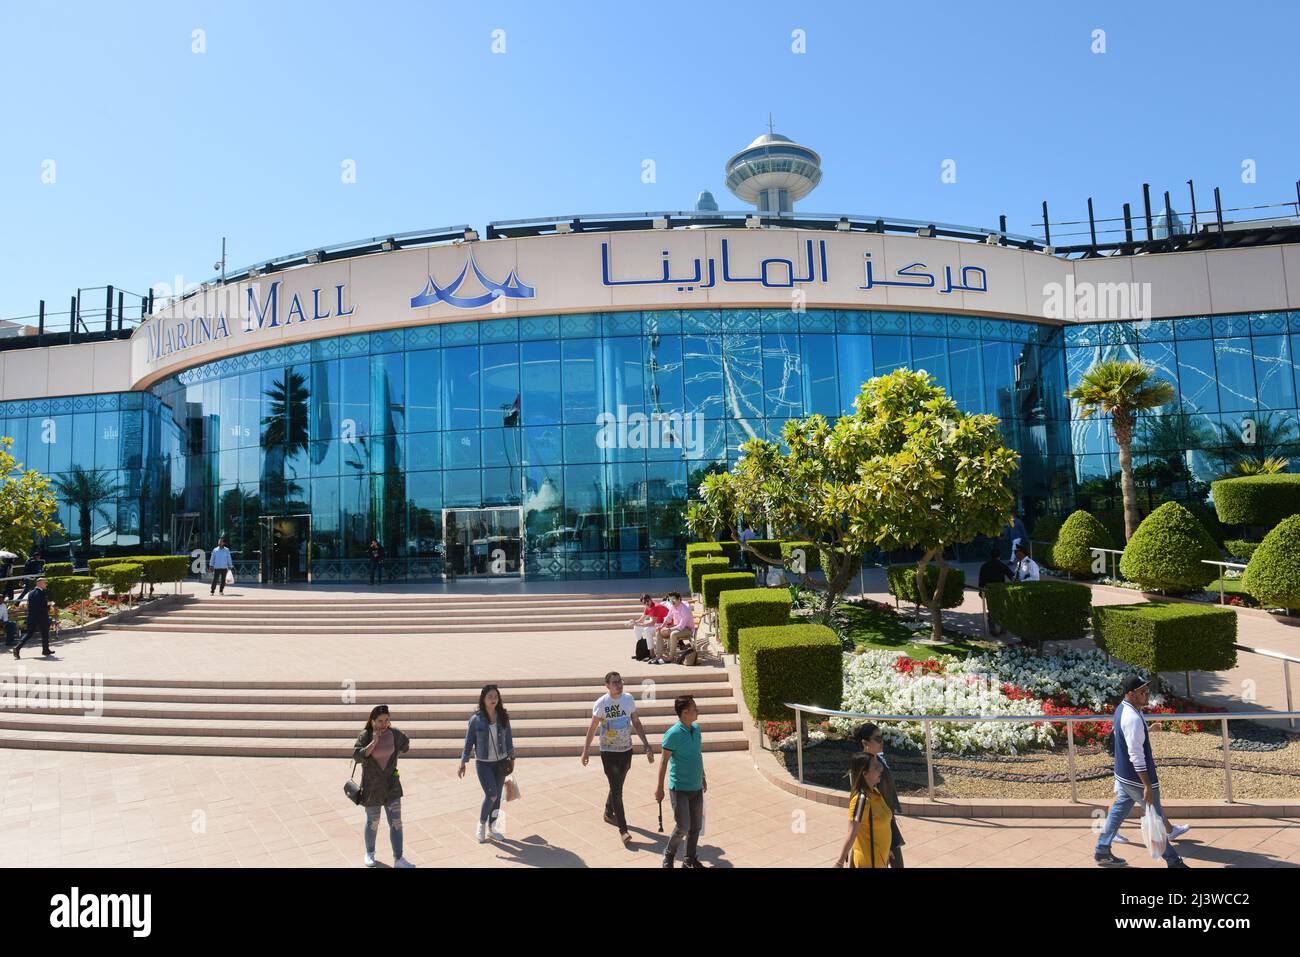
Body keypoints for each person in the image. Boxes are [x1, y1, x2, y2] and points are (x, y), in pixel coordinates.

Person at [1094, 676, 1190, 868]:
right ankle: (1174, 862)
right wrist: (1147, 785)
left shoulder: (1123, 709)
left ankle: (1102, 851)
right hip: (1137, 780)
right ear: (1131, 694)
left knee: (1118, 812)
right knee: (1154, 820)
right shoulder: (1132, 718)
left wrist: (1148, 730)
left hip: (1123, 776)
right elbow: (1136, 755)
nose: (1147, 695)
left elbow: (1131, 737)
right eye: (1142, 692)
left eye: (1147, 691)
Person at [581, 672, 654, 845]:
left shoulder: (628, 700)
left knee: (617, 785)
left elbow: (636, 722)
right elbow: (592, 728)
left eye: (620, 681)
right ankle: (623, 830)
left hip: (626, 750)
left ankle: (608, 811)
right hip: (608, 752)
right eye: (615, 683)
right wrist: (585, 751)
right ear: (607, 685)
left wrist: (646, 745)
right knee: (618, 791)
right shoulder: (601, 704)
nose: (619, 685)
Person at [352, 704, 415, 868]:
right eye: (380, 721)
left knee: (396, 822)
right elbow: (357, 756)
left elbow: (406, 744)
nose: (383, 724)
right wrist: (374, 742)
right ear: (373, 721)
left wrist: (394, 757)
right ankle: (370, 853)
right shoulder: (365, 735)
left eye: (387, 720)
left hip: (392, 785)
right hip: (372, 787)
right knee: (373, 821)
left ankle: (399, 859)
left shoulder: (394, 734)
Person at [458, 684, 515, 843]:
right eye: (490, 697)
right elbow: (468, 742)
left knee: (497, 798)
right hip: (484, 763)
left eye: (496, 696)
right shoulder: (476, 720)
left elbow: (509, 738)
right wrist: (463, 762)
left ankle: (493, 827)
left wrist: (512, 758)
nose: (493, 699)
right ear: (483, 699)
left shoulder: (503, 717)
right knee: (492, 794)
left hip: (501, 762)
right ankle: (481, 824)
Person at [655, 694, 706, 868]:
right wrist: (659, 788)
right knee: (683, 827)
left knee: (696, 827)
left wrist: (703, 776)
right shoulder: (673, 734)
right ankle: (669, 855)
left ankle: (689, 860)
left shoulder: (696, 729)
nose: (697, 711)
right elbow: (663, 761)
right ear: (684, 713)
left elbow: (697, 754)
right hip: (679, 789)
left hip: (696, 786)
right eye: (694, 709)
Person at [854, 723, 905, 867]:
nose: (881, 742)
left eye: (881, 738)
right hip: (876, 825)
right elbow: (859, 801)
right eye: (877, 739)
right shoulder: (864, 768)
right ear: (865, 743)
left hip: (886, 819)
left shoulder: (878, 760)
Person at [836, 752, 895, 868]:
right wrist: (839, 863)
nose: (880, 770)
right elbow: (852, 833)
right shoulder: (861, 800)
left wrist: (887, 849)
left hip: (879, 860)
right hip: (869, 862)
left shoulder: (875, 793)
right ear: (865, 773)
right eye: (875, 768)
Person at [13, 578, 53, 659]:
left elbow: (33, 605)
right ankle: (45, 650)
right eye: (45, 583)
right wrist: (49, 605)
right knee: (45, 633)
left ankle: (17, 648)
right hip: (41, 617)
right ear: (40, 584)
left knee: (29, 634)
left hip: (32, 617)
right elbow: (41, 606)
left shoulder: (31, 593)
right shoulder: (40, 593)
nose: (46, 585)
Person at [978, 547, 1014, 635]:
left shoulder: (984, 566)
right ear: (999, 556)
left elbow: (981, 580)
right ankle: (1003, 628)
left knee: (991, 609)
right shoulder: (1002, 565)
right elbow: (1012, 577)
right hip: (1000, 590)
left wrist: (980, 590)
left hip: (989, 590)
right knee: (1002, 609)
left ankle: (992, 628)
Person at [653, 592, 695, 665]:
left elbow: (681, 626)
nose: (672, 601)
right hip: (678, 626)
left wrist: (668, 629)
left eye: (673, 599)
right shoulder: (673, 606)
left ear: (679, 599)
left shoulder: (685, 610)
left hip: (688, 629)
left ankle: (670, 657)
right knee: (659, 631)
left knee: (673, 634)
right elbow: (668, 618)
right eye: (670, 599)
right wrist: (662, 626)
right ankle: (659, 655)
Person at [628, 594, 668, 659]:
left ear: (651, 599)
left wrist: (641, 625)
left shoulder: (656, 607)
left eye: (647, 601)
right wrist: (633, 622)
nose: (646, 603)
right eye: (644, 602)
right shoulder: (647, 608)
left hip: (665, 625)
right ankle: (641, 651)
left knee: (647, 630)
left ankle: (651, 653)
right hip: (657, 624)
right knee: (636, 628)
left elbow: (652, 623)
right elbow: (641, 620)